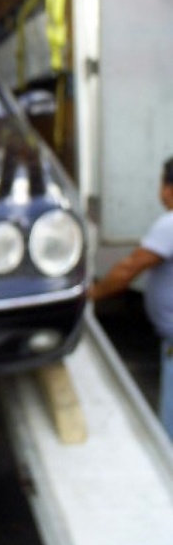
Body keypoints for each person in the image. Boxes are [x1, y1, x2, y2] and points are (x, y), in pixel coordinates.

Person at [89, 156, 173, 439]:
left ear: (168, 188)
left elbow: (128, 270)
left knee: (168, 437)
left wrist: (90, 295)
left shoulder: (169, 224)